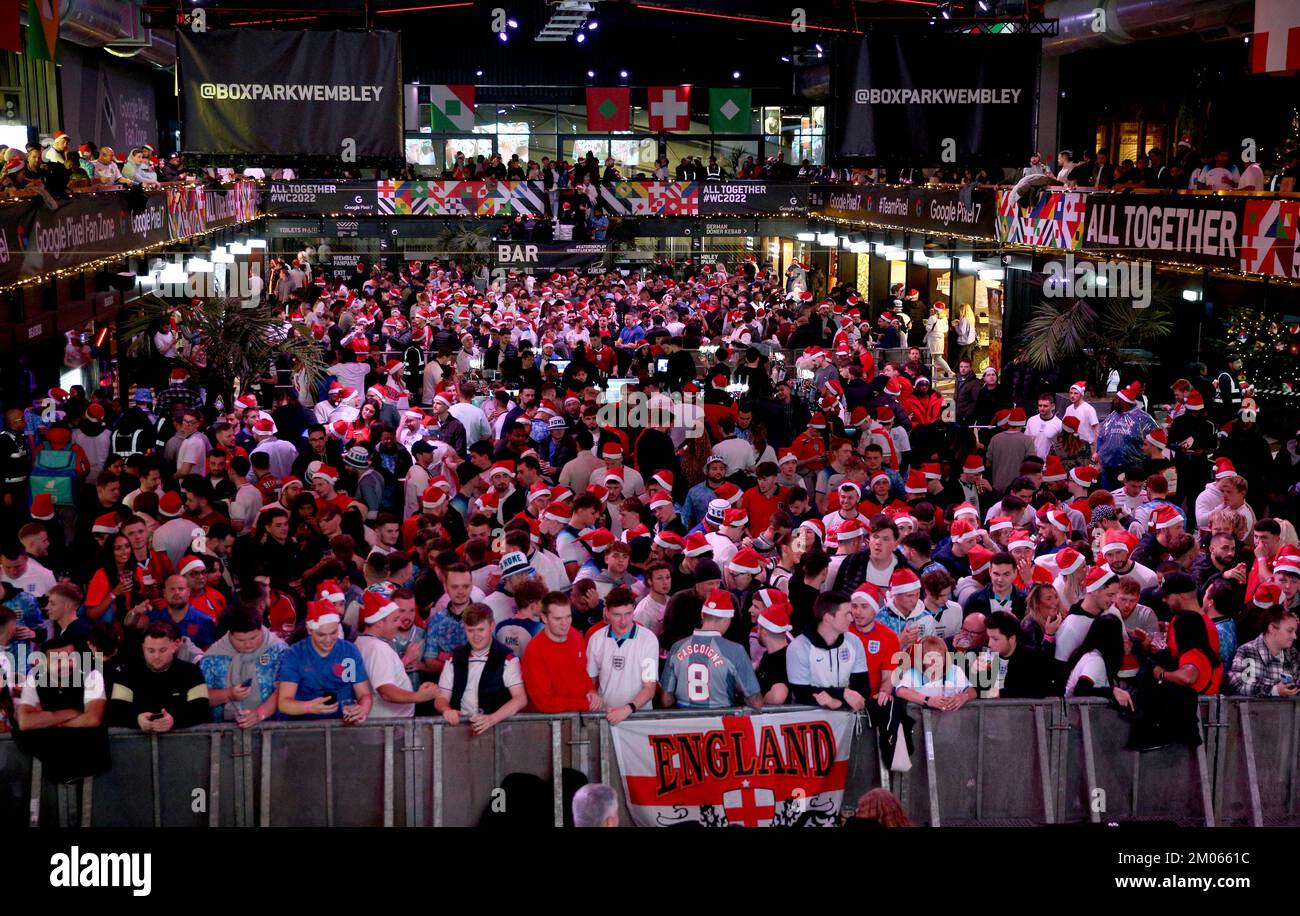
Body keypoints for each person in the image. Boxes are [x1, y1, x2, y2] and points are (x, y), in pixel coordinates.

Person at [659, 589, 763, 709]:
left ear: (702, 615)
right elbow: (755, 702)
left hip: (685, 719)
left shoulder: (677, 647)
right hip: (722, 718)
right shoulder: (736, 651)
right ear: (727, 620)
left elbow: (666, 700)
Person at [434, 603, 528, 734]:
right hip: (460, 732)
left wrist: (492, 719)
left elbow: (520, 699)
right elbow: (441, 698)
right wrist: (446, 710)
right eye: (470, 630)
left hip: (498, 732)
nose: (476, 636)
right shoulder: (454, 658)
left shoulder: (507, 658)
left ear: (492, 626)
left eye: (480, 629)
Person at [277, 600, 374, 723]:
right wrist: (309, 707)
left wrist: (363, 708)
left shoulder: (349, 651)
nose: (328, 640)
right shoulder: (295, 654)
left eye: (333, 633)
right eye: (321, 635)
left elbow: (364, 694)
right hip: (304, 725)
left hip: (343, 723)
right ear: (309, 630)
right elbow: (284, 704)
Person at [108, 620, 211, 731]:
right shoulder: (126, 673)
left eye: (163, 650)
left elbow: (202, 710)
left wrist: (174, 720)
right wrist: (137, 719)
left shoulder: (192, 672)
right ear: (143, 648)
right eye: (151, 651)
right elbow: (116, 710)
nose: (156, 656)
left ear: (175, 646)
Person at [785, 591, 871, 711]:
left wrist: (837, 703)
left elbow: (862, 690)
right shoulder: (799, 647)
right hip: (809, 718)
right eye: (847, 614)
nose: (851, 618)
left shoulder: (854, 642)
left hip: (847, 716)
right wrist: (842, 693)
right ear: (828, 618)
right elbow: (801, 693)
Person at [586, 586, 658, 723]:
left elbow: (649, 688)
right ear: (607, 612)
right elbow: (590, 679)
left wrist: (627, 709)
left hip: (639, 716)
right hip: (606, 714)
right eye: (617, 615)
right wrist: (592, 693)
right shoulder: (596, 639)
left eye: (628, 614)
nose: (623, 621)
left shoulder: (648, 639)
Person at [1228, 607, 1300, 696]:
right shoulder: (1249, 651)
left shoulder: (1293, 654)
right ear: (1272, 628)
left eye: (1295, 631)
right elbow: (1240, 685)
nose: (1295, 636)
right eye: (1290, 631)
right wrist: (1275, 690)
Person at [985, 610, 1057, 698]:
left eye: (995, 639)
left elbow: (1039, 690)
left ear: (1011, 638)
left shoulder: (1032, 660)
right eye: (988, 638)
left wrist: (1001, 693)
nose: (989, 644)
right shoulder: (984, 656)